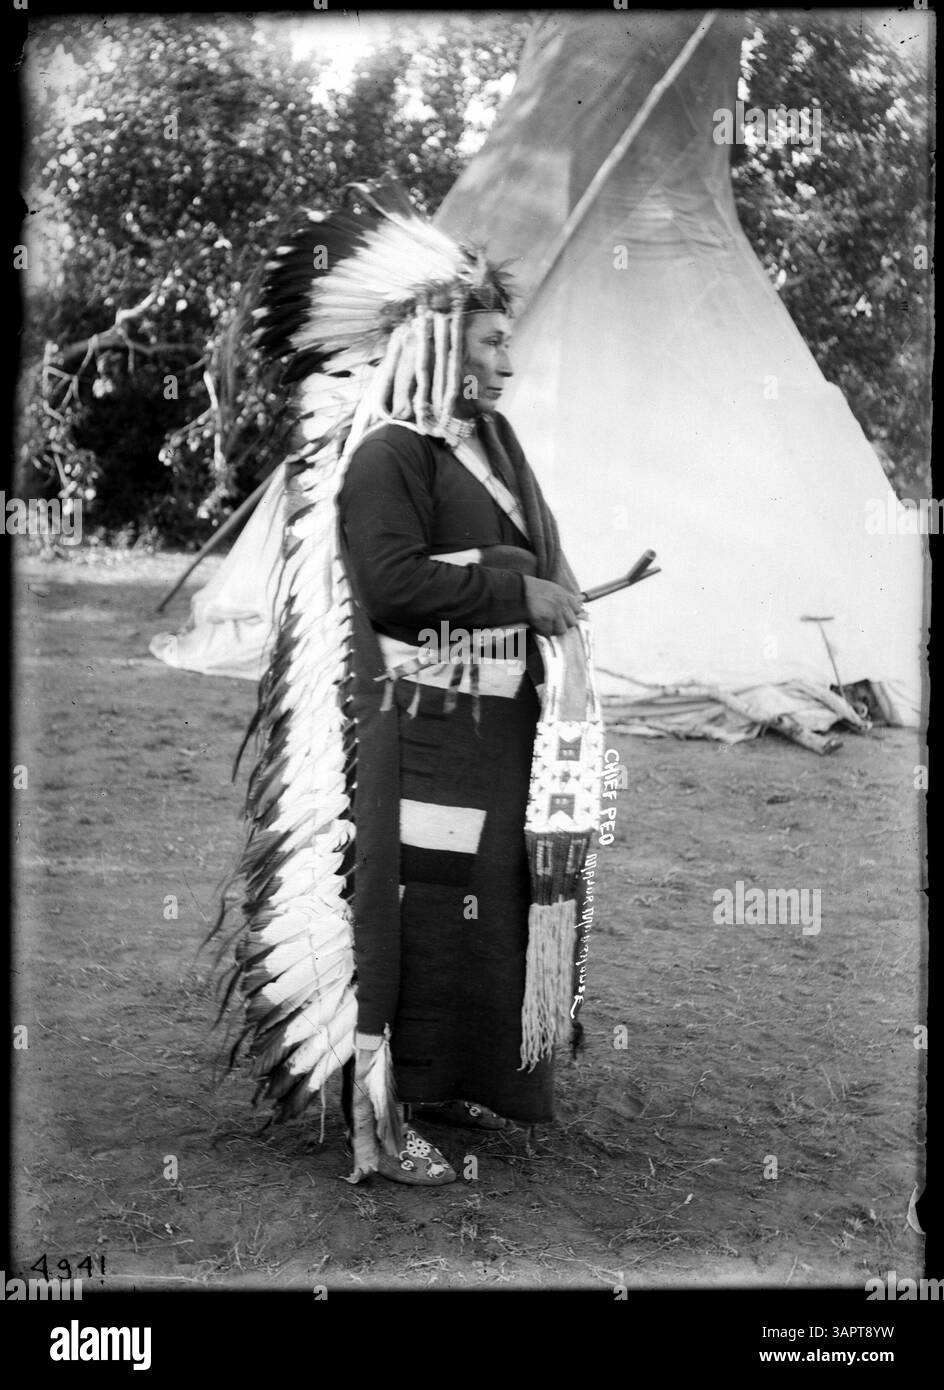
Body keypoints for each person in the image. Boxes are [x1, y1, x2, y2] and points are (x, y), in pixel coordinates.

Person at [216, 180, 602, 1188]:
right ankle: (383, 1117)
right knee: (420, 911)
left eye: (506, 345)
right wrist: (517, 594)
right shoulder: (389, 454)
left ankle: (462, 1077)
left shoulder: (493, 447)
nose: (504, 362)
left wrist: (537, 600)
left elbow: (506, 560)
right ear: (431, 342)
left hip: (495, 732)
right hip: (423, 732)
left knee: (489, 897)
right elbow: (387, 586)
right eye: (486, 345)